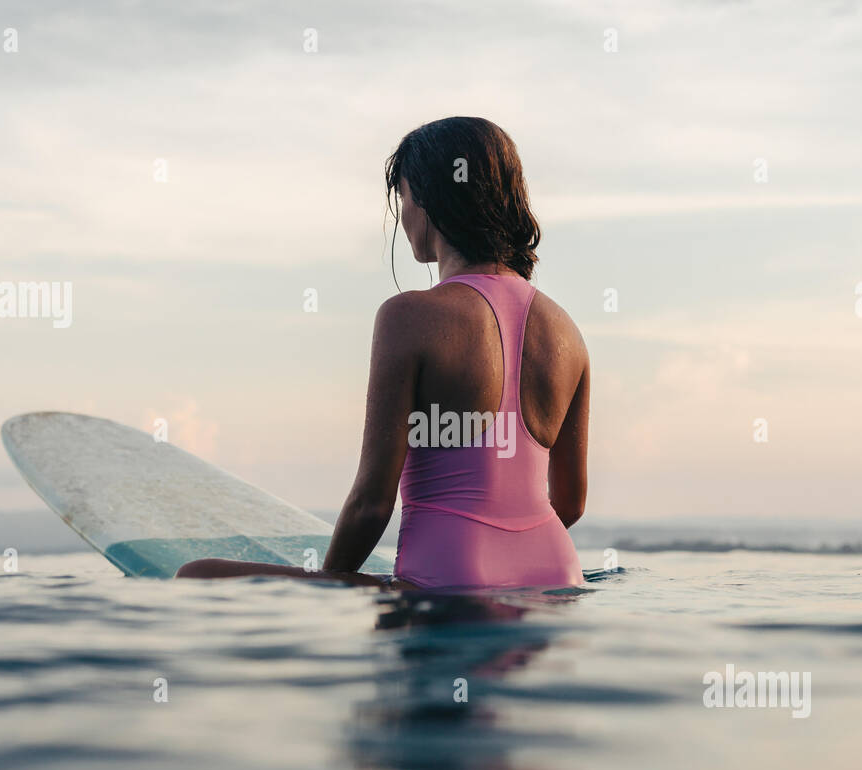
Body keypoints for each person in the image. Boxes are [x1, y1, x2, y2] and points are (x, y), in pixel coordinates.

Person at [177, 117, 589, 588]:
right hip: (555, 573)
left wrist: (329, 585)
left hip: (449, 574)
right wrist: (512, 548)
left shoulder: (409, 316)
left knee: (197, 575)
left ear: (428, 198)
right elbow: (571, 504)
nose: (402, 213)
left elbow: (372, 501)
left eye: (403, 195)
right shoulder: (566, 332)